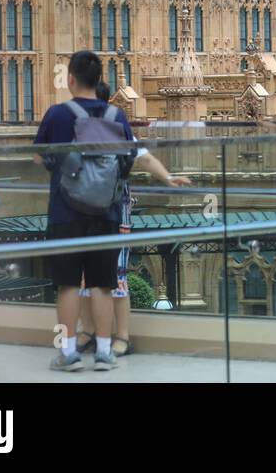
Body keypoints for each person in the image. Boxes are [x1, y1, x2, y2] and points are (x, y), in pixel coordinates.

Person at [34, 51, 137, 372]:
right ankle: (105, 353)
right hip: (106, 211)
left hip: (65, 211)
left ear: (71, 79)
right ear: (99, 79)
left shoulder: (57, 114)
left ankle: (68, 353)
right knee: (103, 284)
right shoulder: (116, 115)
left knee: (67, 285)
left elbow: (39, 157)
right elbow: (129, 159)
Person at [75, 82, 191, 359]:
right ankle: (89, 332)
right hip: (86, 210)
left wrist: (167, 177)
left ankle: (122, 337)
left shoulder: (113, 128)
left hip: (114, 212)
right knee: (85, 275)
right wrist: (167, 177)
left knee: (118, 275)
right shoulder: (78, 129)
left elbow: (143, 157)